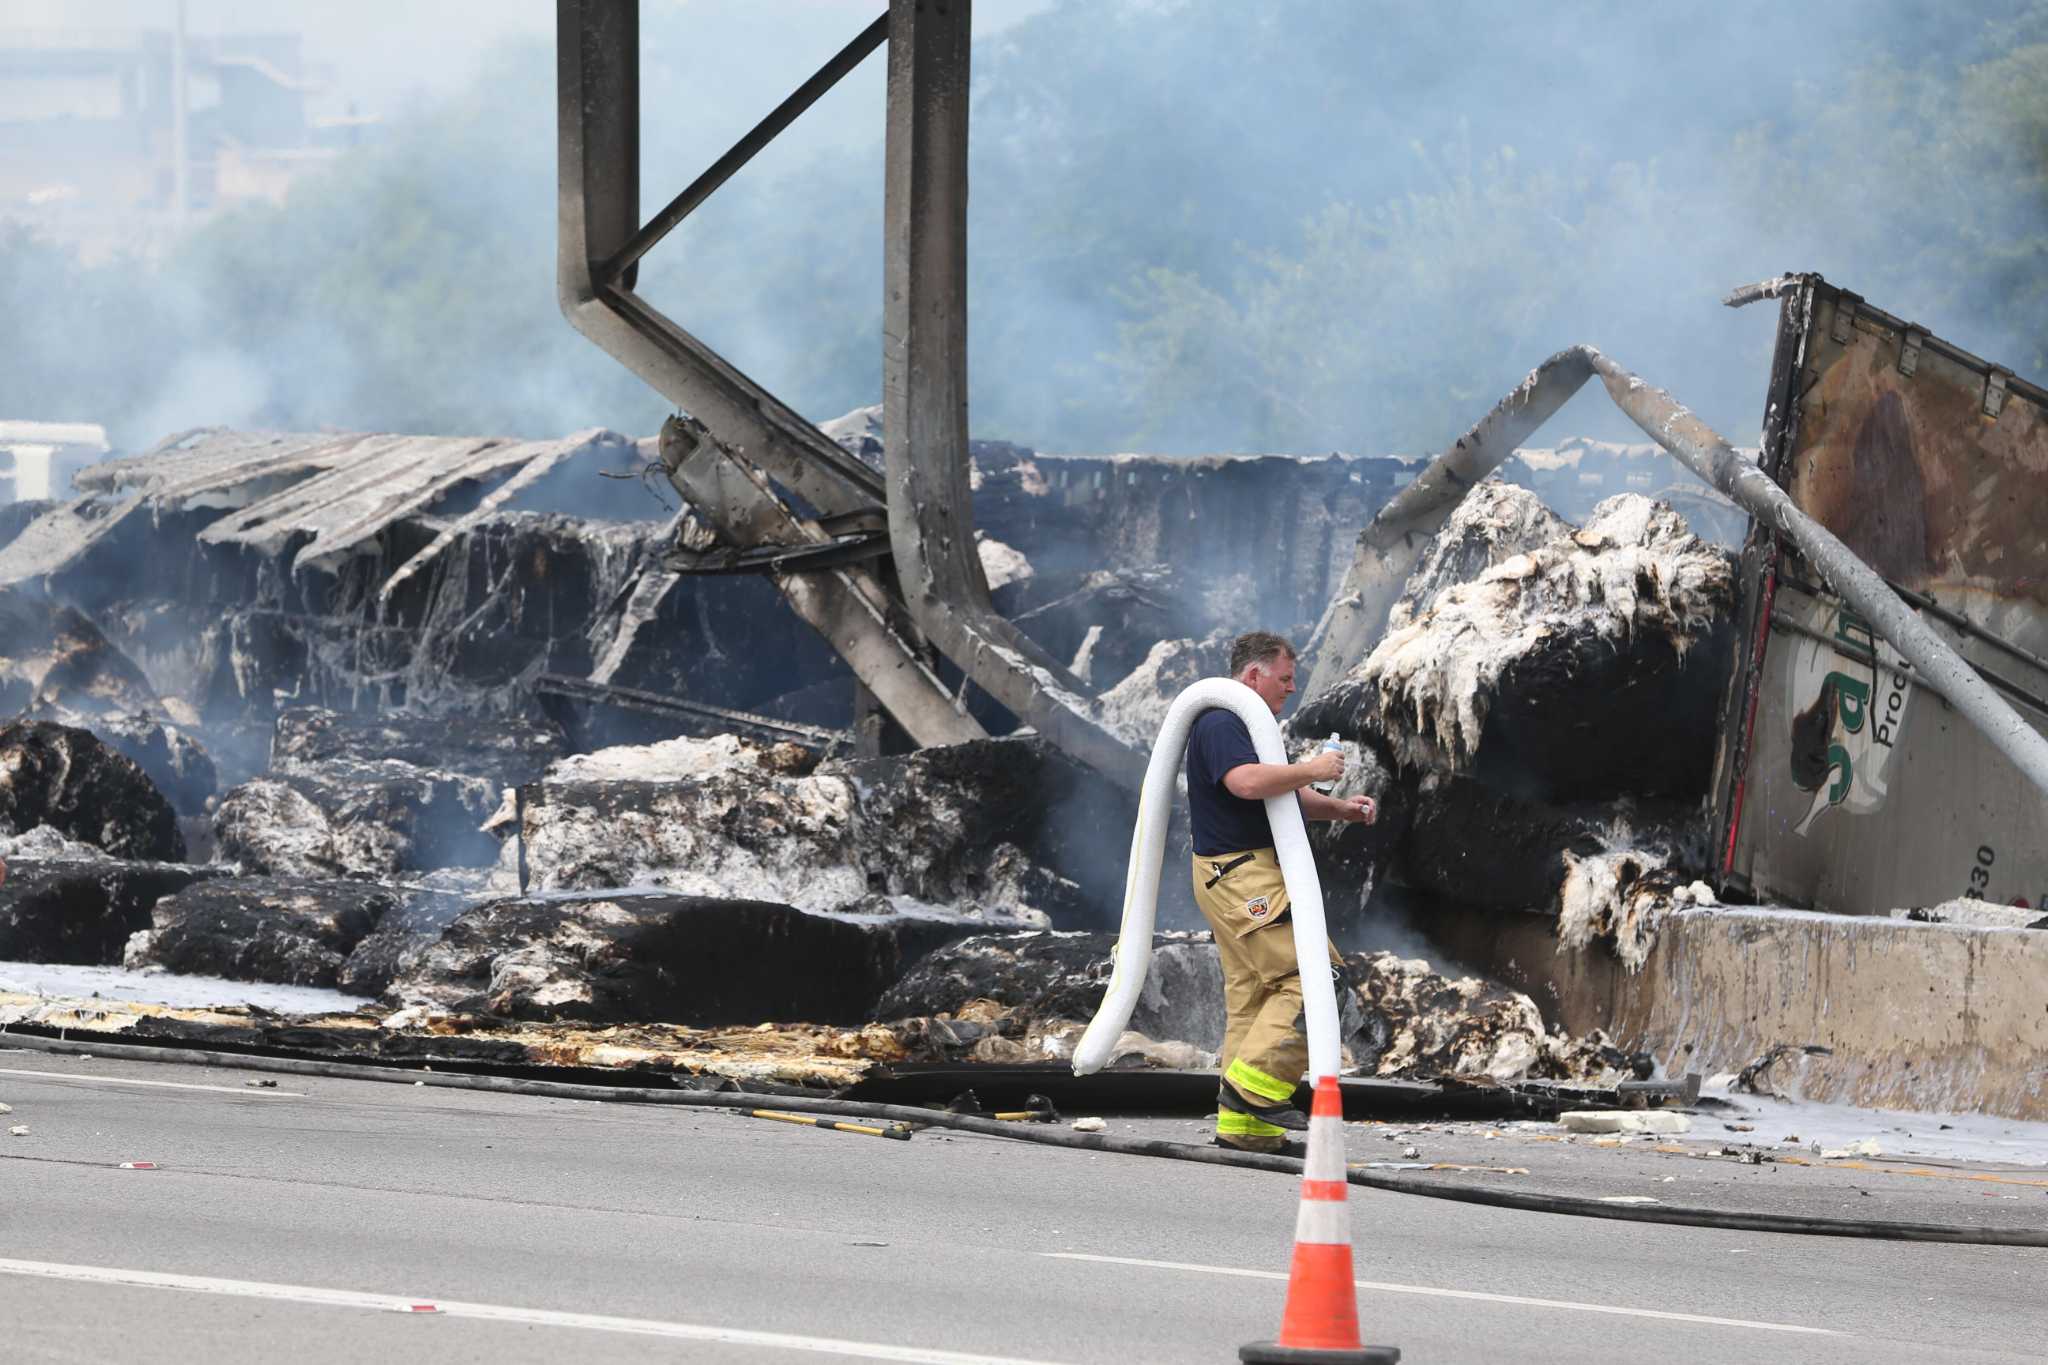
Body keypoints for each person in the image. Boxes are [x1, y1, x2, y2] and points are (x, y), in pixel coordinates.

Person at [1188, 631, 1376, 1153]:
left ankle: (1246, 1128)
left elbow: (1279, 792)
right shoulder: (1223, 721)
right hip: (1242, 874)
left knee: (1255, 996)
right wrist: (1314, 768)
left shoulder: (1248, 722)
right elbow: (1247, 783)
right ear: (1254, 675)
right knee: (1316, 976)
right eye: (1285, 677)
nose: (1292, 688)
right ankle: (1253, 1090)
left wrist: (1341, 807)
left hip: (1230, 873)